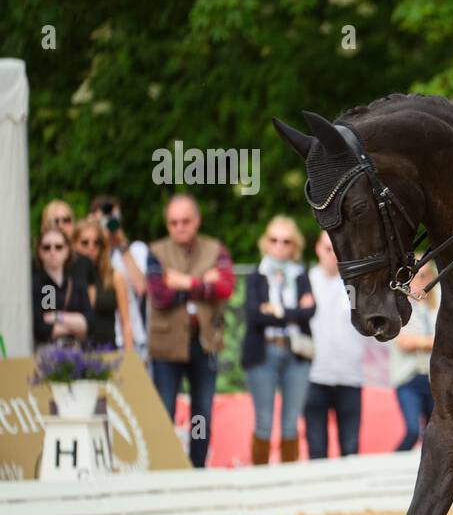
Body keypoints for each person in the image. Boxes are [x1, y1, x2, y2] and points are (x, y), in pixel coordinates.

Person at [146, 194, 235, 468]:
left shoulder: (215, 248)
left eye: (185, 221)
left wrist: (185, 282)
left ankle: (197, 467)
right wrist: (202, 286)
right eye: (173, 222)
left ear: (196, 221)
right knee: (164, 410)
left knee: (201, 413)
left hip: (204, 342)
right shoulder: (156, 251)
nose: (179, 227)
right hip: (167, 344)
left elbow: (225, 288)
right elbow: (159, 295)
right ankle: (165, 467)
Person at [241, 216, 316, 465]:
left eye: (286, 241)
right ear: (266, 243)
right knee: (263, 422)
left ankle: (288, 483)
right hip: (263, 353)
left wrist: (276, 311)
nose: (280, 246)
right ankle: (261, 484)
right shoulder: (256, 276)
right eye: (274, 240)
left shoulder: (301, 275)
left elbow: (311, 311)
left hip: (296, 354)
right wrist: (293, 312)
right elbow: (253, 316)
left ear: (295, 246)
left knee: (290, 424)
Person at [304, 231, 367, 459]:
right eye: (327, 248)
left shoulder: (356, 285)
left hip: (351, 375)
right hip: (314, 375)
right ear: (317, 249)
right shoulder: (306, 281)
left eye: (336, 248)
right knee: (316, 448)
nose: (332, 254)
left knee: (350, 449)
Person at [89, 195, 151, 361]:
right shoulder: (88, 251)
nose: (110, 224)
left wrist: (121, 244)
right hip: (100, 340)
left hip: (132, 340)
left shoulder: (136, 250)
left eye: (114, 218)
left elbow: (142, 287)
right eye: (104, 220)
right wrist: (95, 236)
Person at [389, 261, 437, 452]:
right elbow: (403, 343)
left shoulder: (437, 307)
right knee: (411, 430)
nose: (418, 279)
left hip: (432, 378)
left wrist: (420, 341)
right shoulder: (400, 308)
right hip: (408, 378)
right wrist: (430, 342)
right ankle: (392, 467)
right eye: (414, 275)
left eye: (424, 275)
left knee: (434, 433)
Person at [73, 218, 134, 351]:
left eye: (97, 243)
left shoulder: (114, 276)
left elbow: (126, 322)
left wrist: (130, 358)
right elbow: (49, 311)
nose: (91, 247)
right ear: (74, 244)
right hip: (73, 353)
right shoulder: (65, 277)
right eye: (85, 243)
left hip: (107, 350)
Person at [31, 227, 91, 345]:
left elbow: (89, 324)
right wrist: (76, 325)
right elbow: (41, 329)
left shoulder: (76, 284)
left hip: (77, 355)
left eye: (58, 247)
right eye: (46, 247)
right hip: (46, 356)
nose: (52, 252)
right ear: (39, 251)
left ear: (67, 250)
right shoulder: (38, 285)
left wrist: (58, 316)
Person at [39, 200, 97, 295]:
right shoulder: (38, 264)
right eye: (56, 221)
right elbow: (47, 305)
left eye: (66, 220)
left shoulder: (84, 263)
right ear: (45, 225)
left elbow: (89, 307)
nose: (61, 225)